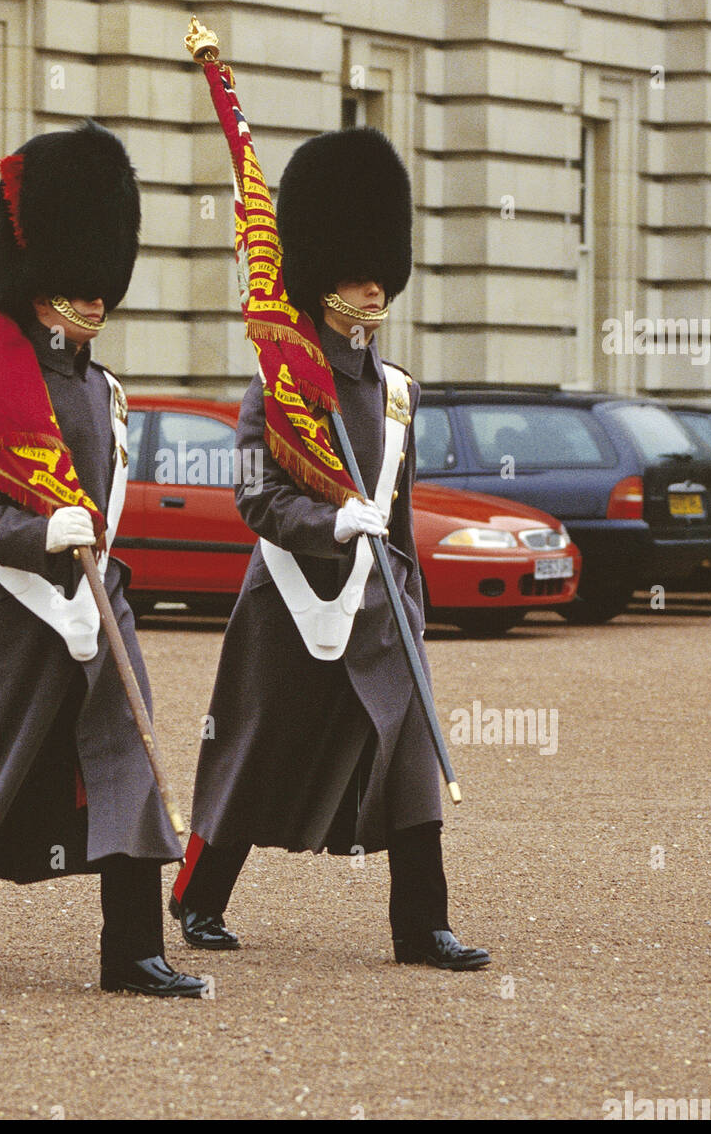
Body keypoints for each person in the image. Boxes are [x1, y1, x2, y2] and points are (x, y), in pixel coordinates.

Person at [0, 120, 206, 997]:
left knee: (127, 763)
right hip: (12, 610)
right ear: (41, 279)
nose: (95, 302)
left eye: (103, 288)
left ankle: (131, 952)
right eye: (80, 286)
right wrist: (38, 535)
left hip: (98, 607)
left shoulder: (104, 389)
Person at [169, 126, 490, 972]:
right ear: (321, 286)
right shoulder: (271, 391)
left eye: (379, 275)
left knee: (410, 751)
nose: (370, 290)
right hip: (289, 601)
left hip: (379, 602)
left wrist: (411, 600)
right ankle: (197, 896)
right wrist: (325, 523)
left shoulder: (395, 396)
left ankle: (421, 928)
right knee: (254, 751)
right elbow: (253, 498)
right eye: (355, 277)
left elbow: (402, 504)